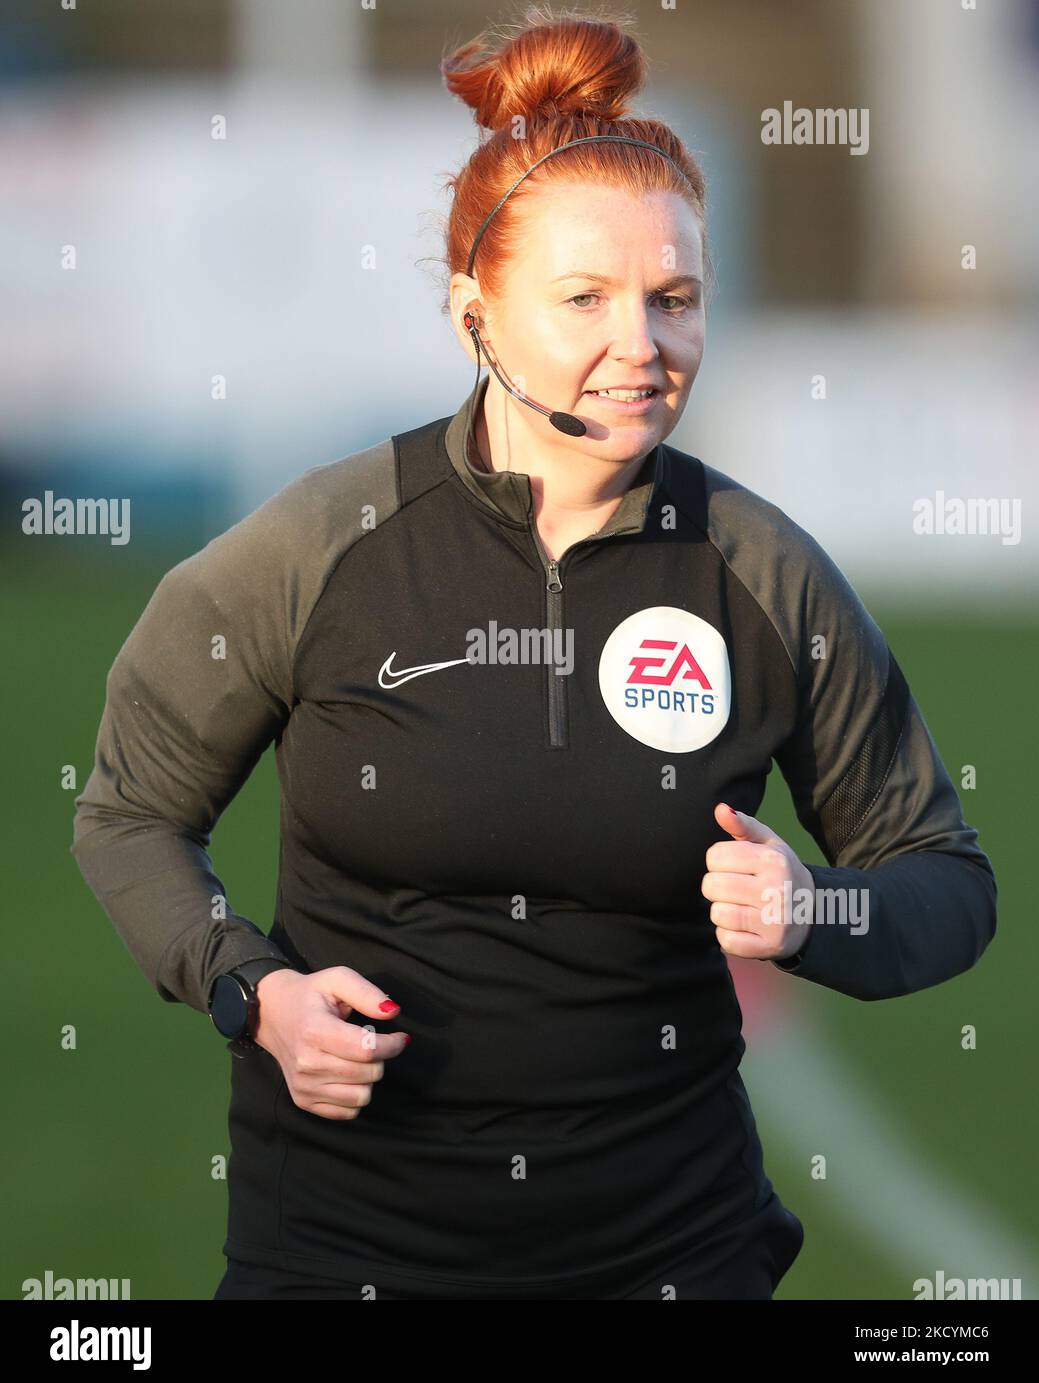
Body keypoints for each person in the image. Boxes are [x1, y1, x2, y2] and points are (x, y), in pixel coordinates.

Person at [69, 8, 997, 1301]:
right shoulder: (323, 546)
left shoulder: (764, 571)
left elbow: (947, 883)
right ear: (476, 315)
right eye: (587, 299)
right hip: (339, 1257)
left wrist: (813, 909)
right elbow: (127, 814)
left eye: (675, 298)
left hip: (675, 1257)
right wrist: (253, 992)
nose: (644, 344)